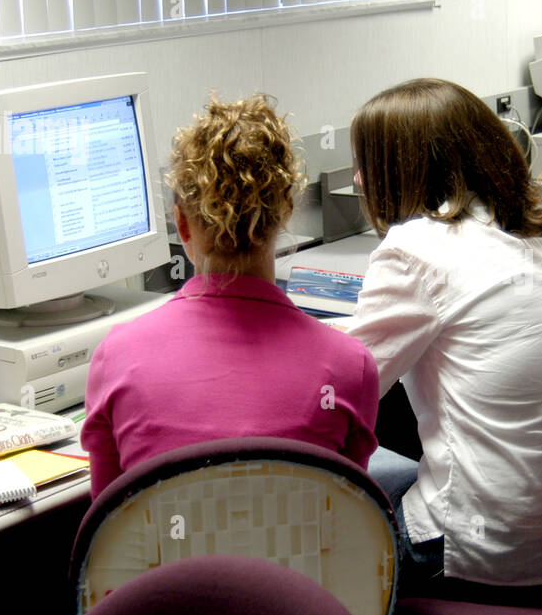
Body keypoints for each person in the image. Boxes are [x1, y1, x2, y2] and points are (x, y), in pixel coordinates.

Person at [342, 78, 542, 590]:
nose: (358, 178)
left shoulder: (414, 249)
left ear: (401, 169)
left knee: (342, 495)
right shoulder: (538, 232)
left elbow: (344, 395)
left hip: (487, 553)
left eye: (366, 162)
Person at [82, 94, 379, 498]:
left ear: (182, 225)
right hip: (299, 563)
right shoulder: (350, 366)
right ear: (287, 211)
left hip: (169, 561)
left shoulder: (116, 356)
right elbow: (346, 518)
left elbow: (108, 529)